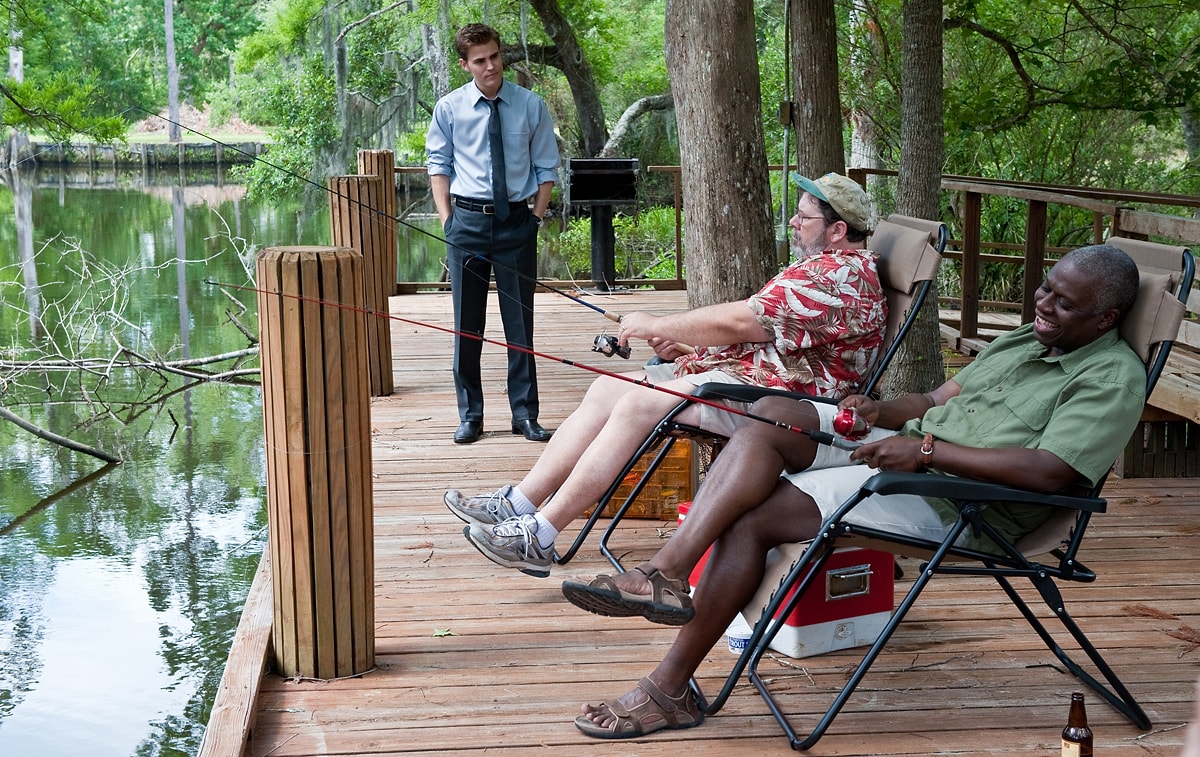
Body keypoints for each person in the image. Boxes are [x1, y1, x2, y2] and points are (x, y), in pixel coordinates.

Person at [560, 243, 1146, 738]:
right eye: (1045, 289)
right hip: (912, 453)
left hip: (962, 501)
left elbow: (1051, 472)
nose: (1043, 305)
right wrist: (878, 410)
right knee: (771, 416)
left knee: (753, 517)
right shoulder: (1025, 341)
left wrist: (925, 453)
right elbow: (935, 403)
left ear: (1105, 318)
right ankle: (665, 573)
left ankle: (667, 688)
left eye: (1065, 303)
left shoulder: (1111, 377)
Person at [449, 172, 888, 578]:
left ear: (837, 231)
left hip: (788, 404)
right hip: (754, 377)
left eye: (804, 216)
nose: (793, 222)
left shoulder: (841, 276)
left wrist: (658, 323)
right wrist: (691, 348)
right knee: (608, 388)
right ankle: (518, 503)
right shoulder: (822, 270)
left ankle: (540, 535)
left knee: (640, 402)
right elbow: (776, 335)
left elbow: (743, 322)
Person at [426, 23, 561, 444]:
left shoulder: (530, 105)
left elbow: (546, 168)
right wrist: (448, 219)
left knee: (520, 324)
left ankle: (525, 414)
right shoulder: (449, 109)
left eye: (495, 57)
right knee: (468, 325)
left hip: (515, 224)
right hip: (466, 222)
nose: (490, 67)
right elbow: (438, 165)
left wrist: (535, 218)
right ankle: (471, 415)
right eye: (480, 61)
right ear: (465, 65)